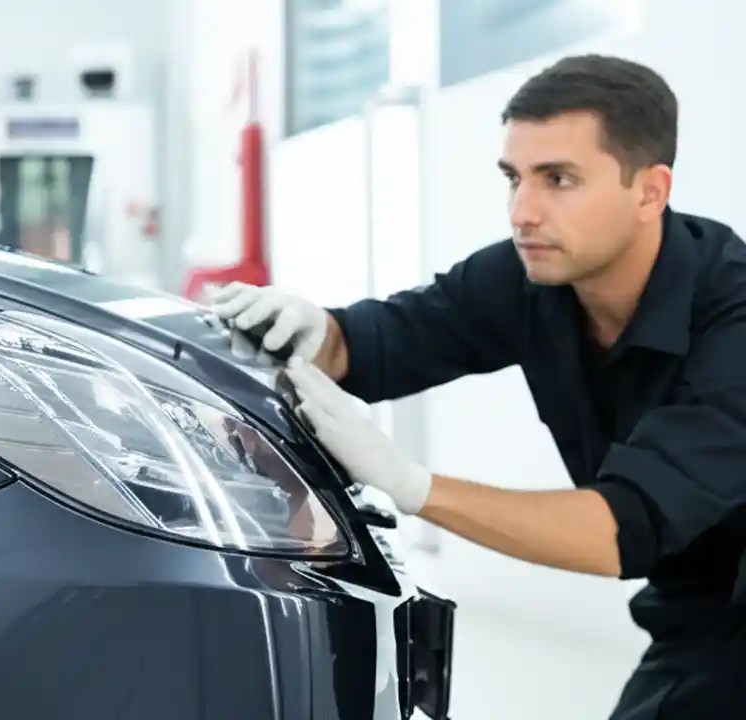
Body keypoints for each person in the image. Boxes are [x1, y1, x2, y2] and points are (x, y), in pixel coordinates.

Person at [208, 53, 746, 720]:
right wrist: (313, 330)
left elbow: (619, 529)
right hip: (699, 613)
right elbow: (375, 344)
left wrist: (412, 485)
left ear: (649, 191)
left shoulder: (734, 321)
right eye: (514, 178)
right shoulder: (528, 280)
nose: (523, 211)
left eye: (559, 180)